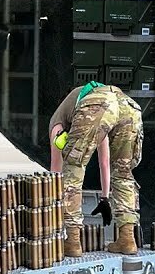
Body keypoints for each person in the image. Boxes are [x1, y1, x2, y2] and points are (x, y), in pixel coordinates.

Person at [49, 81, 143, 257]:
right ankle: (127, 239)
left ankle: (73, 242)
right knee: (123, 172)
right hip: (128, 106)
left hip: (100, 105)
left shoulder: (60, 117)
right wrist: (104, 198)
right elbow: (105, 162)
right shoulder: (92, 100)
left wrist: (53, 206)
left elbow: (56, 171)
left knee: (73, 168)